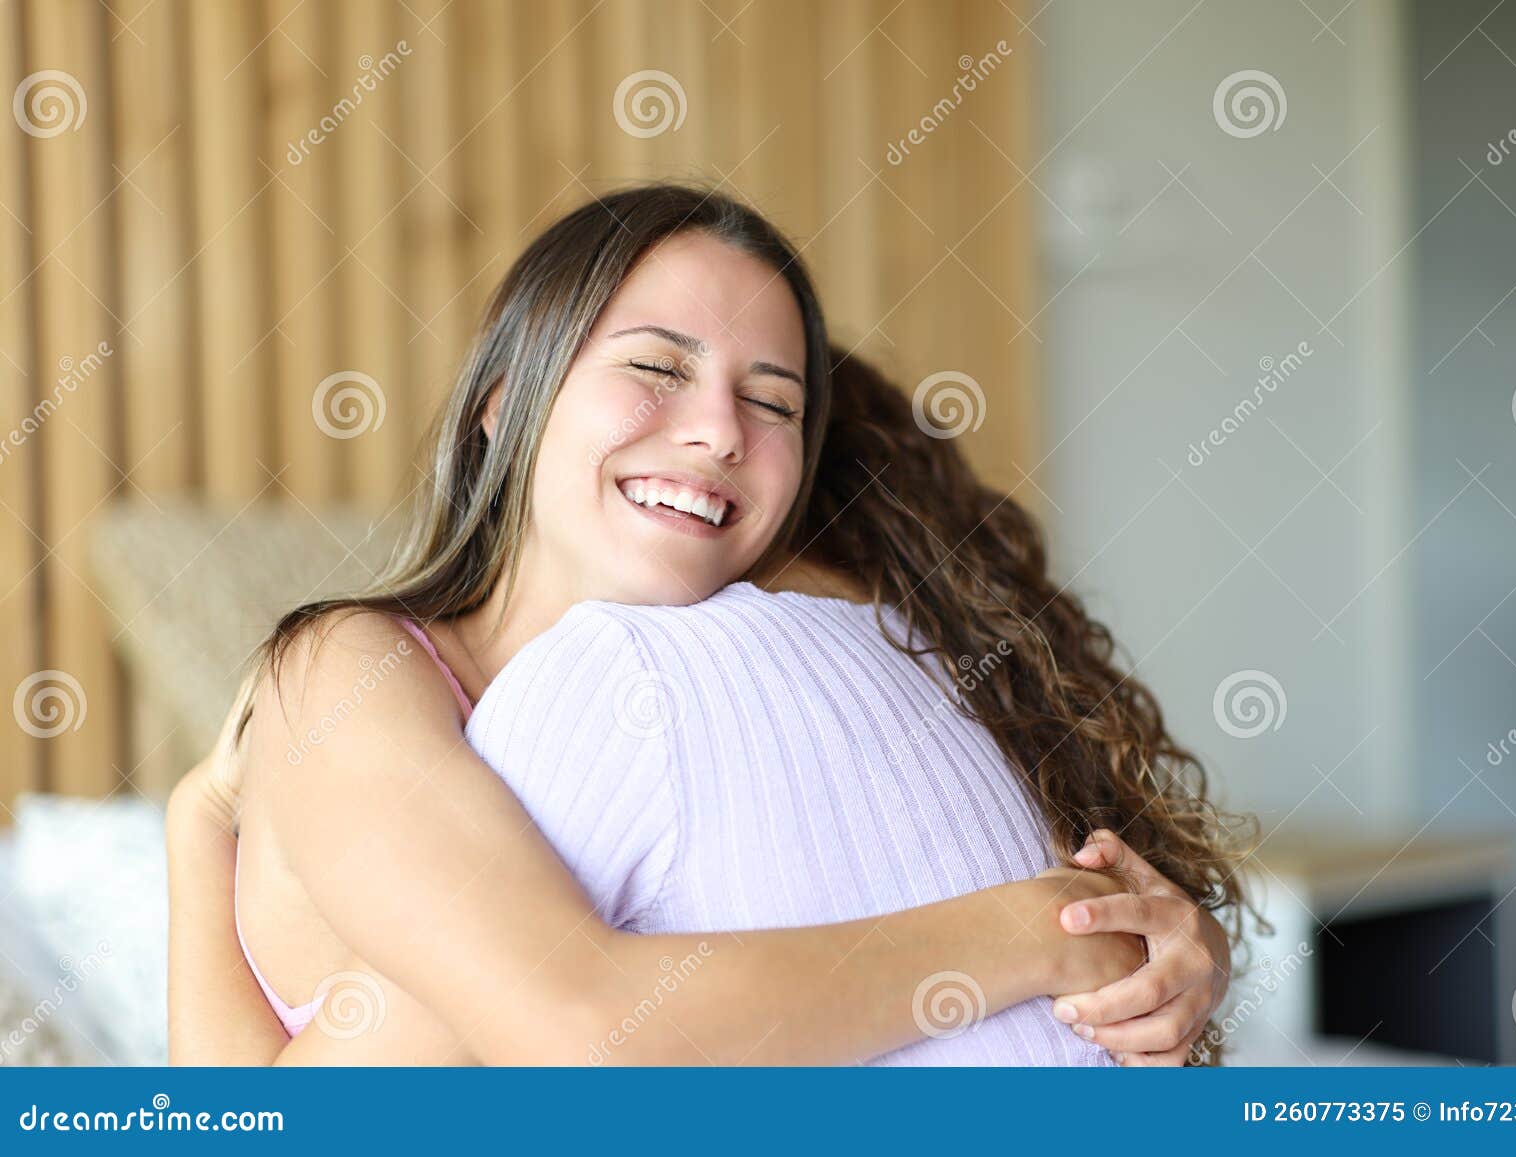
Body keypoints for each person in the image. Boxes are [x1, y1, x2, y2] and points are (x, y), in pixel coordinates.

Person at [166, 184, 1245, 1066]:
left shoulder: (728, 684)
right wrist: (1026, 935)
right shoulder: (348, 667)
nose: (718, 432)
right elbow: (583, 1029)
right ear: (504, 401)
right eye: (656, 367)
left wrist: (1170, 948)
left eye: (771, 401)